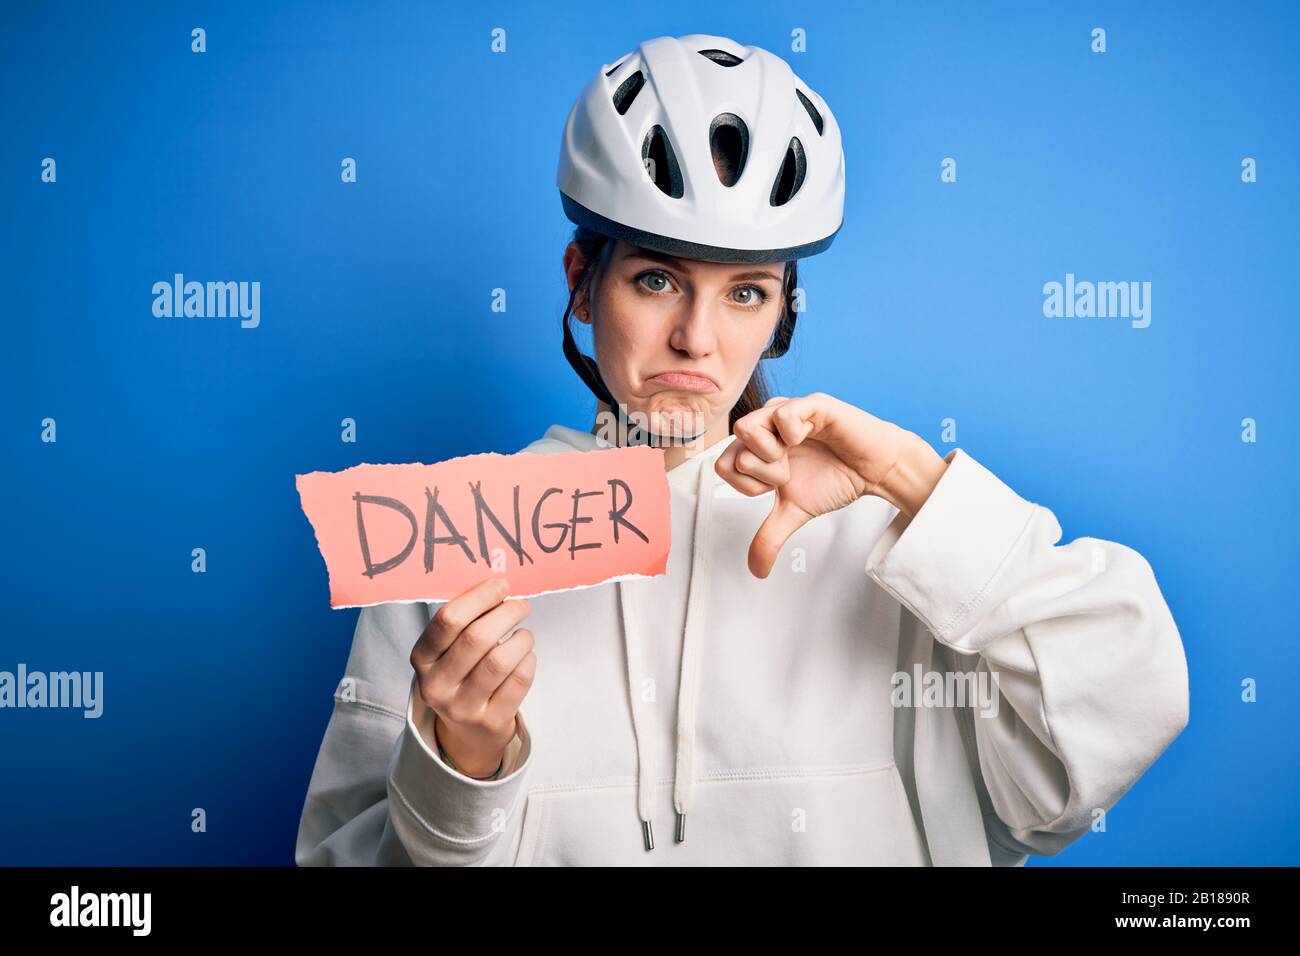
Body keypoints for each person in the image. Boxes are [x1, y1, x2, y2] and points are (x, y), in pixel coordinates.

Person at [294, 33, 1189, 866]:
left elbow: (1118, 720)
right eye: (656, 280)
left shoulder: (893, 537)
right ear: (582, 282)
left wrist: (915, 485)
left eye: (746, 294)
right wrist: (461, 769)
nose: (697, 340)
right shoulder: (454, 543)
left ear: (784, 312)